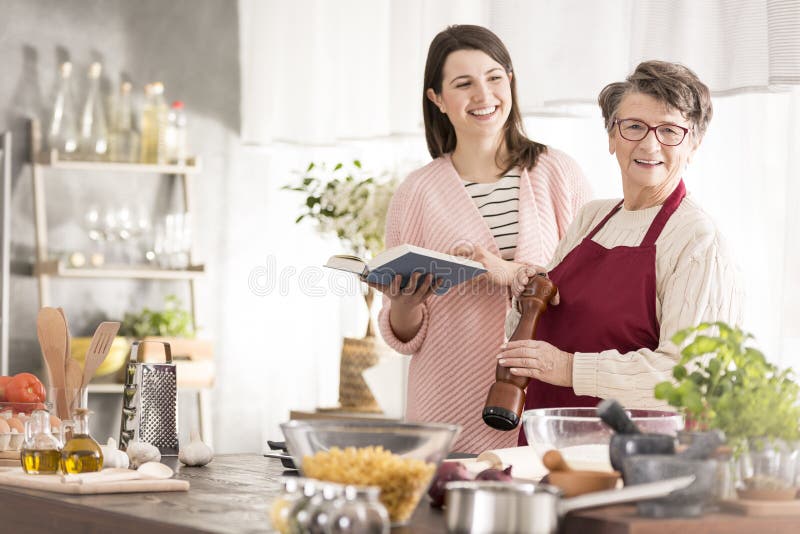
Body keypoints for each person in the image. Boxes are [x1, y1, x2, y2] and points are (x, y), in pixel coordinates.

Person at [498, 60, 744, 444]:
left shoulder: (698, 241)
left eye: (669, 131)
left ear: (693, 144)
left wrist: (568, 369)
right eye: (633, 127)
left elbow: (689, 379)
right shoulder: (592, 217)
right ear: (612, 137)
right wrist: (524, 303)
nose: (649, 144)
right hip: (548, 448)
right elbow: (531, 340)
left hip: (629, 464)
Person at [373, 25, 592, 453]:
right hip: (444, 404)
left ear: (510, 80)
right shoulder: (415, 193)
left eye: (494, 77)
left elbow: (589, 293)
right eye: (463, 84)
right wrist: (404, 306)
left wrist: (508, 272)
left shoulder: (559, 174)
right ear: (437, 98)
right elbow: (403, 334)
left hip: (539, 400)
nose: (483, 95)